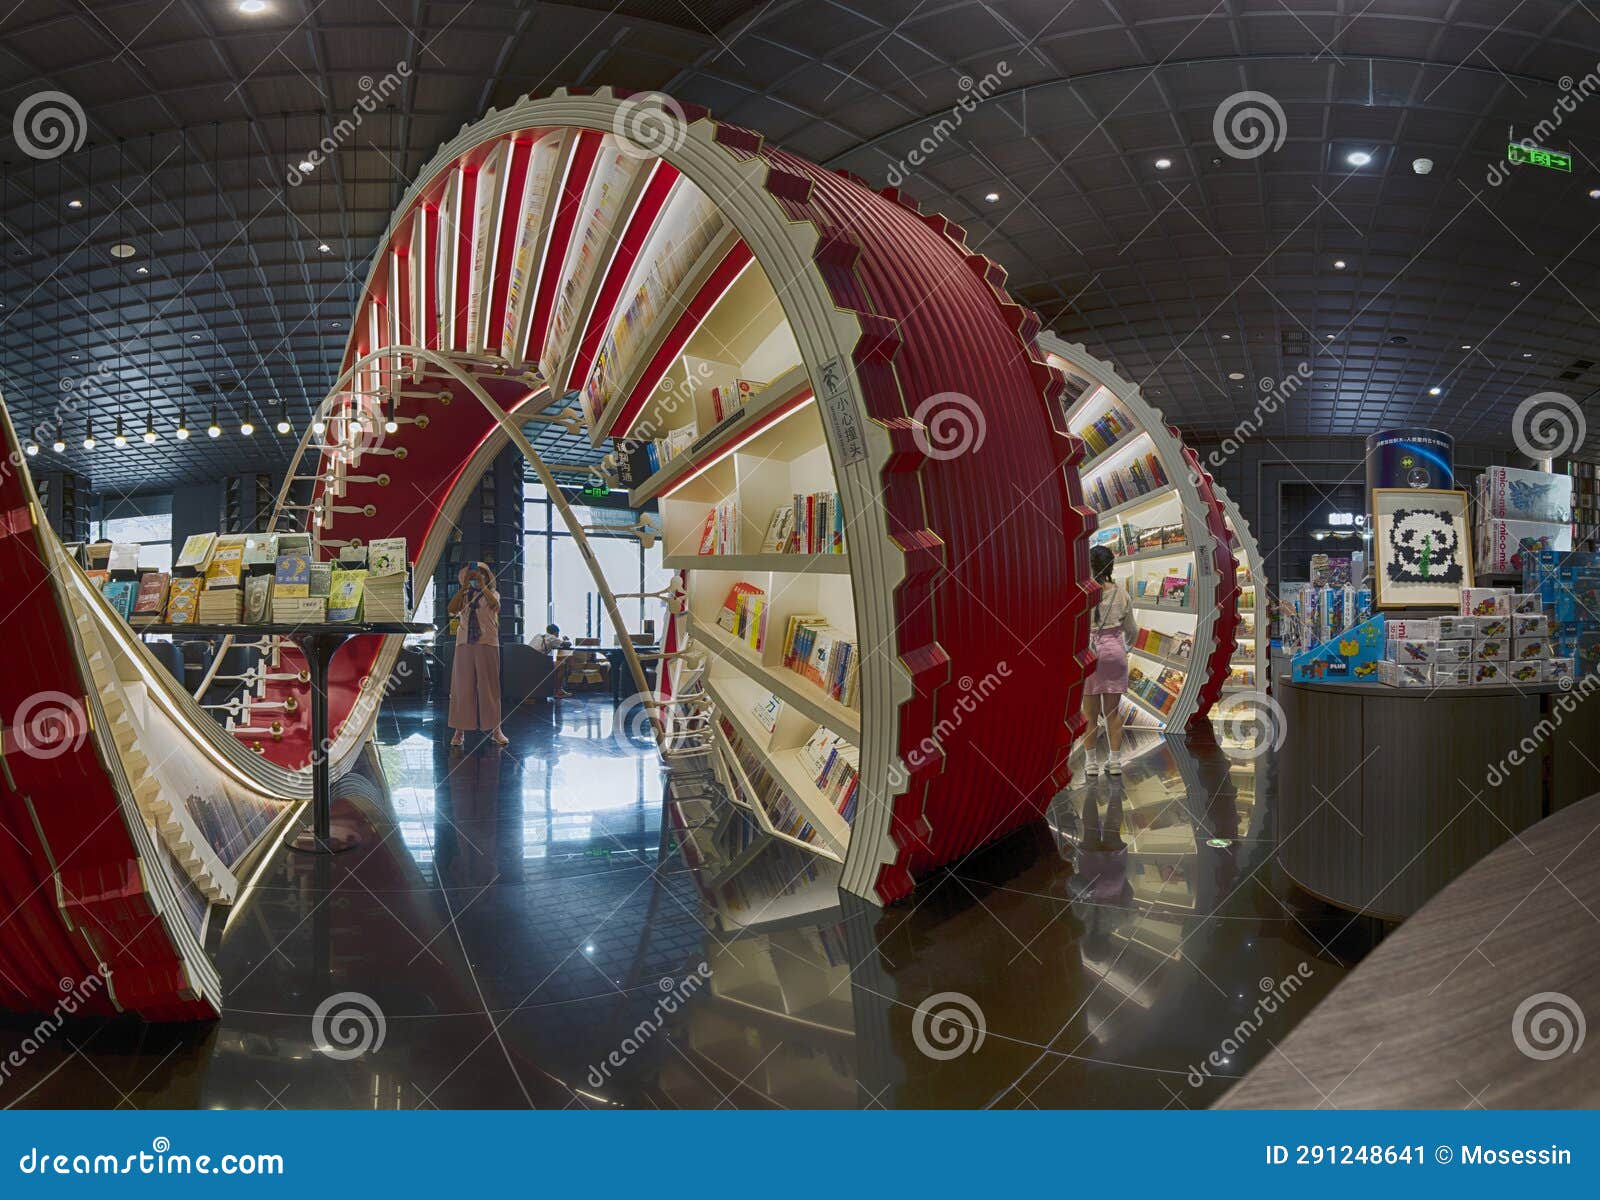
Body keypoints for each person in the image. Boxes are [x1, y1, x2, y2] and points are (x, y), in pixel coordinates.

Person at [1081, 544, 1137, 777]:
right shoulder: (1121, 593)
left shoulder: (1083, 593)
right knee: (1113, 713)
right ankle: (1115, 763)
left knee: (1089, 714)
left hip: (1090, 656)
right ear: (1111, 566)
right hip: (1115, 655)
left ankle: (1091, 764)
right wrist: (1125, 649)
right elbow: (1131, 629)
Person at [446, 562, 508, 747]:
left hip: (487, 643)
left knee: (489, 688)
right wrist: (464, 587)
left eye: (481, 574)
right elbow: (452, 608)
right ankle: (459, 731)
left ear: (487, 577)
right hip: (464, 643)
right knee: (462, 688)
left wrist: (482, 586)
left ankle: (496, 730)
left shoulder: (493, 593)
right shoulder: (464, 596)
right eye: (472, 575)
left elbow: (495, 605)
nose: (476, 577)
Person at [529, 623, 573, 698]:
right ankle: (558, 691)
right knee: (561, 665)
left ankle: (554, 688)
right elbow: (568, 644)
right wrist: (566, 639)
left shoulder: (538, 635)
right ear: (556, 632)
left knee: (554, 665)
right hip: (538, 662)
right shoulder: (552, 638)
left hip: (528, 661)